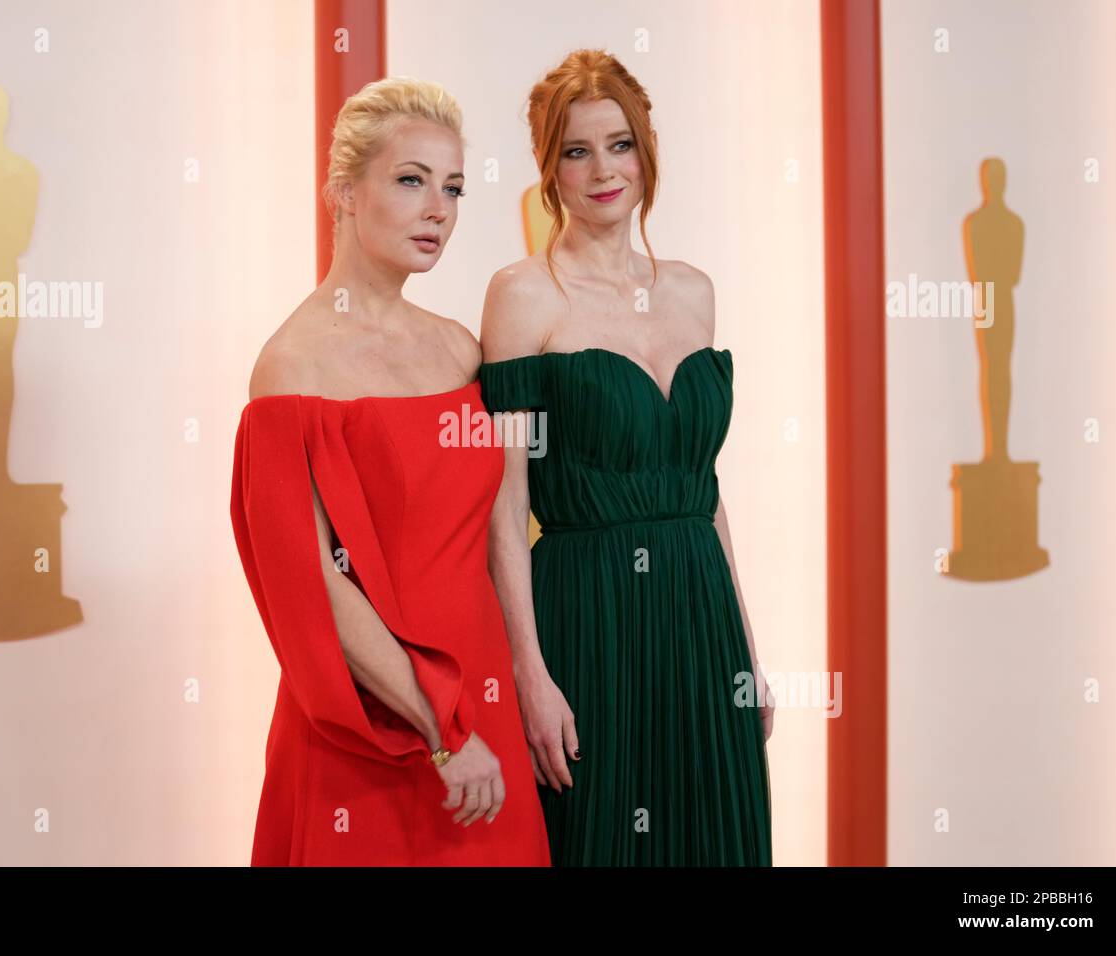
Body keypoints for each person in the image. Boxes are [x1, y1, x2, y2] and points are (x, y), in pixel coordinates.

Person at [230, 76, 550, 866]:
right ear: (341, 192)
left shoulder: (461, 348)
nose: (438, 209)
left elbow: (508, 526)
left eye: (453, 188)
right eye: (411, 181)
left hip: (488, 708)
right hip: (371, 731)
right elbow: (310, 579)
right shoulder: (290, 367)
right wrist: (441, 733)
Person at [479, 49, 774, 865]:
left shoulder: (693, 290)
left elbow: (704, 490)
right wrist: (529, 675)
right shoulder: (523, 295)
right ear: (550, 168)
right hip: (586, 616)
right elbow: (504, 509)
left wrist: (746, 648)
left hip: (699, 612)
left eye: (620, 145)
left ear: (646, 152)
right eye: (577, 151)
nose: (603, 170)